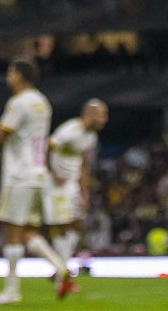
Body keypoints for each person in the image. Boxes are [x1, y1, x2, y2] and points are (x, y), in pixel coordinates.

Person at [0, 58, 73, 305]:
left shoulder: (18, 103)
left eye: (11, 72)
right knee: (28, 231)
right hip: (38, 173)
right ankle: (60, 267)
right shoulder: (42, 102)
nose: (8, 77)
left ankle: (12, 290)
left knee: (10, 230)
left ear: (20, 76)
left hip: (19, 174)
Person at [46, 99, 109, 276]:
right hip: (56, 185)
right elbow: (47, 147)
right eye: (102, 115)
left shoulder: (91, 137)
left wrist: (85, 193)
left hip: (73, 184)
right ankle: (61, 269)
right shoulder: (70, 130)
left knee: (78, 223)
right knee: (61, 225)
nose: (105, 120)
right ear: (90, 114)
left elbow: (84, 165)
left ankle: (61, 267)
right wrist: (52, 172)